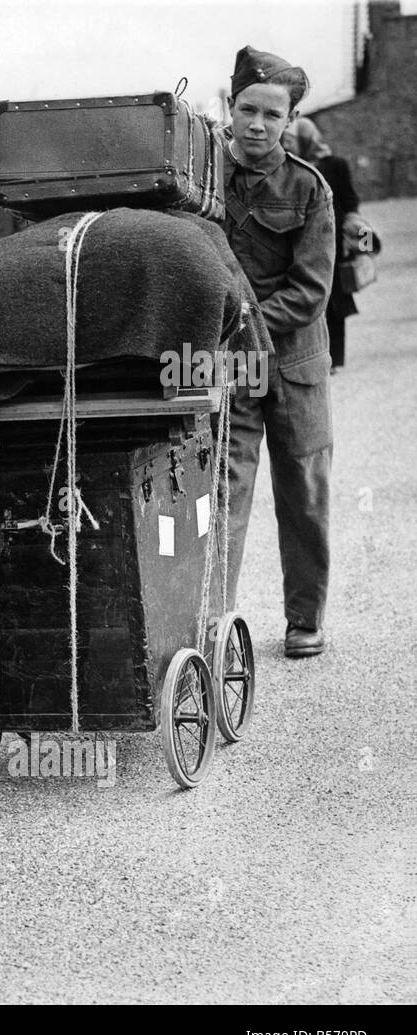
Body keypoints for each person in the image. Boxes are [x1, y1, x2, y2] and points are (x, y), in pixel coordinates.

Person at [220, 46, 336, 659]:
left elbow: (311, 292)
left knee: (304, 494)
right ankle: (214, 628)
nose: (258, 124)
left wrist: (239, 324)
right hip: (227, 370)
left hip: (294, 365)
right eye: (247, 109)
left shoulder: (309, 189)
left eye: (272, 113)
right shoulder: (201, 180)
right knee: (223, 498)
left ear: (290, 119)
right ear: (228, 106)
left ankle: (304, 620)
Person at [279, 116, 380, 375]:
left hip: (335, 246)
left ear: (306, 140)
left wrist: (365, 247)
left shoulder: (335, 165)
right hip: (302, 243)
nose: (286, 144)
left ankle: (334, 359)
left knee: (334, 304)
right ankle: (311, 355)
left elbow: (352, 204)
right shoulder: (287, 166)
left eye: (290, 139)